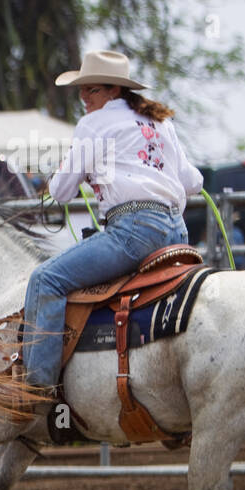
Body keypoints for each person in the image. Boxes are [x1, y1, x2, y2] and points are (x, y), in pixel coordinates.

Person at [24, 50, 203, 395]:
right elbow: (193, 182)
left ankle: (36, 390)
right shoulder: (162, 123)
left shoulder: (93, 124)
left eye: (90, 90)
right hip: (176, 231)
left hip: (134, 231)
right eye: (82, 90)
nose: (83, 98)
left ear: (113, 91)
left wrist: (74, 167)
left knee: (46, 279)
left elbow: (61, 191)